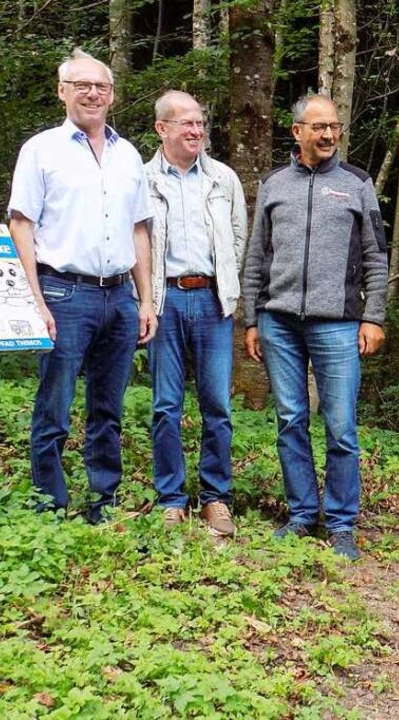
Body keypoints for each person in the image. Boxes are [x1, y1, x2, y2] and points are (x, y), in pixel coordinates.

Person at [7, 49, 157, 524]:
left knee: (108, 408)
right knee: (55, 405)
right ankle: (51, 503)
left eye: (101, 86)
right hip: (63, 293)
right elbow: (20, 225)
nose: (92, 93)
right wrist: (35, 299)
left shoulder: (128, 153)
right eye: (81, 85)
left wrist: (146, 298)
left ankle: (103, 501)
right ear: (62, 92)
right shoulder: (41, 150)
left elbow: (139, 229)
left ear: (112, 95)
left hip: (119, 296)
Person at [241, 93, 388, 561]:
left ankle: (342, 523)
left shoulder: (357, 184)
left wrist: (374, 315)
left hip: (339, 325)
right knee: (290, 420)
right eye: (318, 127)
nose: (328, 135)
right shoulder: (274, 184)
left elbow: (376, 257)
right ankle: (303, 514)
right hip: (278, 321)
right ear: (297, 131)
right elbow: (255, 257)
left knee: (341, 426)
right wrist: (251, 318)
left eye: (335, 127)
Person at [146, 90, 247, 537]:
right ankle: (171, 499)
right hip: (163, 301)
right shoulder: (142, 179)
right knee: (166, 405)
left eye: (200, 123)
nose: (195, 130)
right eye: (185, 123)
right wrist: (143, 299)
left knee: (217, 405)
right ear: (161, 129)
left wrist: (225, 284)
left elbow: (239, 239)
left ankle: (215, 497)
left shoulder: (223, 179)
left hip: (211, 300)